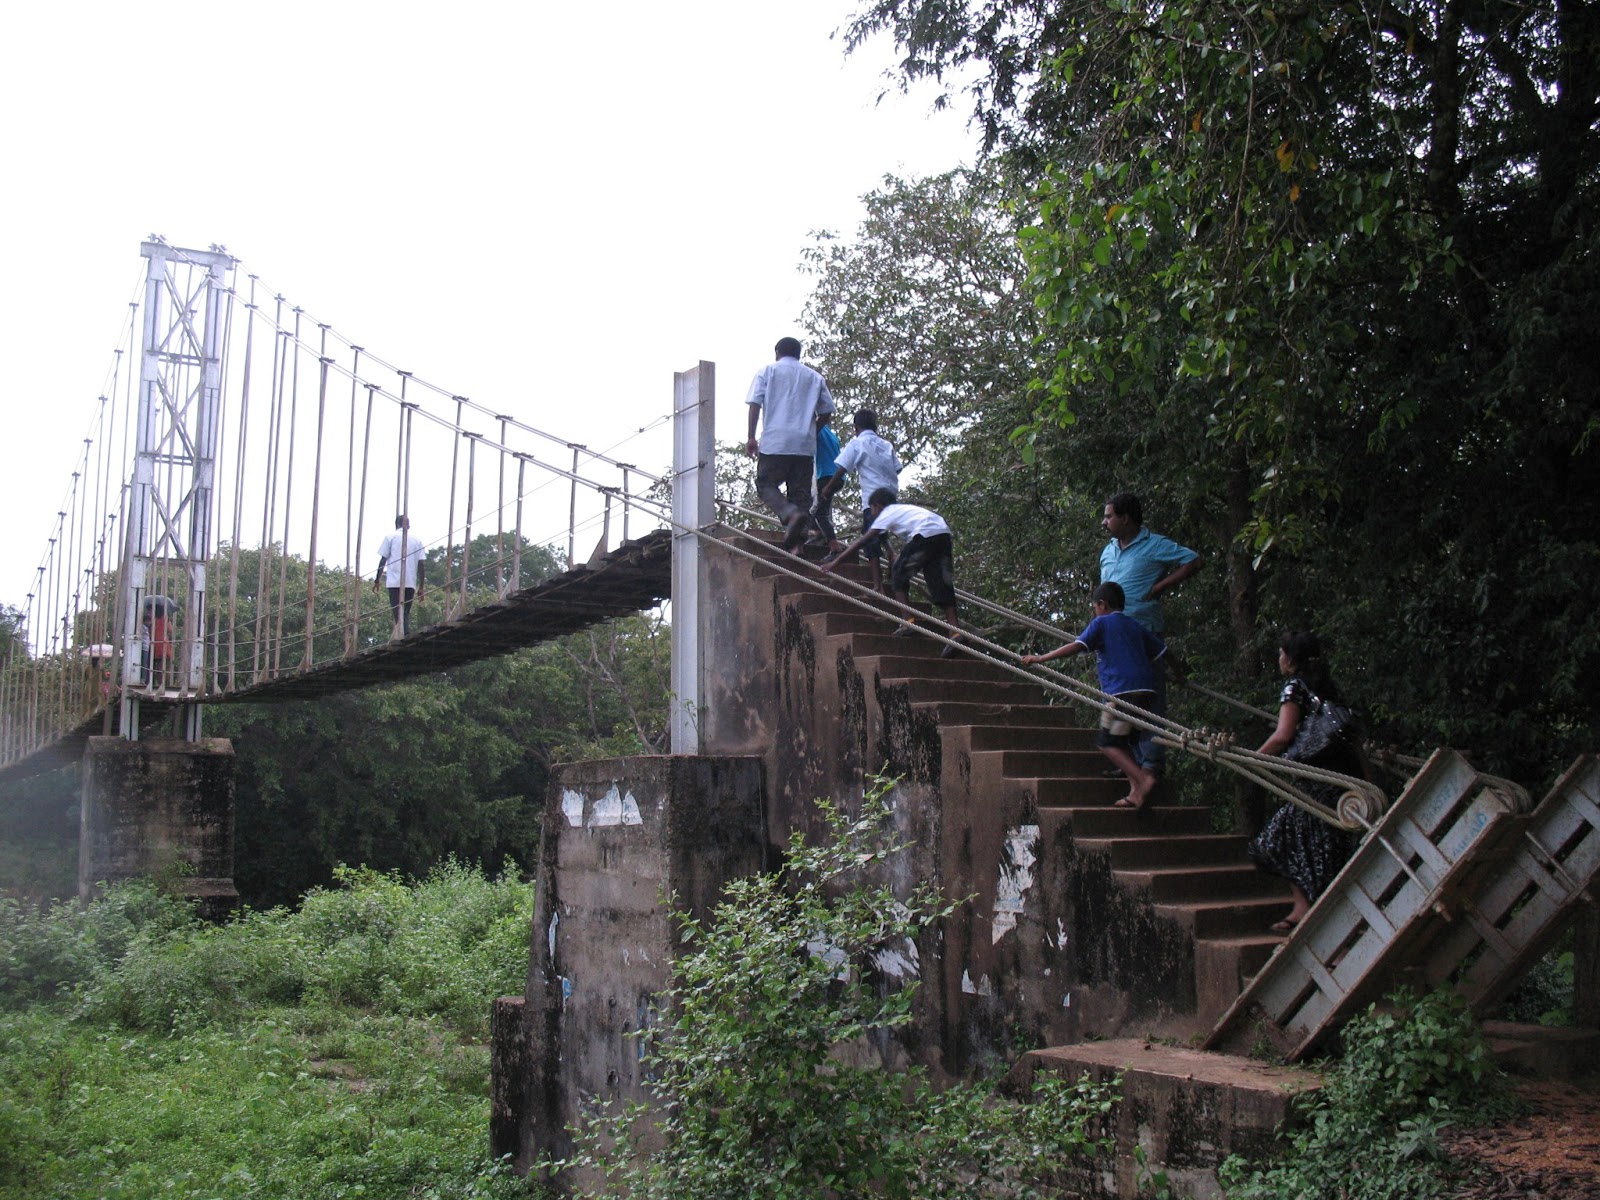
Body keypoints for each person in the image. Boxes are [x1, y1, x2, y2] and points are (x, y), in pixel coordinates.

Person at [1247, 630, 1361, 932]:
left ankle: (1308, 912)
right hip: (1341, 781)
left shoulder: (1294, 688)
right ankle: (1313, 913)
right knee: (1325, 848)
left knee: (1271, 844)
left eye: (1281, 652)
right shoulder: (1328, 687)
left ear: (1290, 657)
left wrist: (1252, 759)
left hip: (1313, 782)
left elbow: (1283, 735)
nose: (1278, 658)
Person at [1021, 581, 1166, 811]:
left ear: (1102, 604)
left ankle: (1143, 779)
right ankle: (1136, 794)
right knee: (1124, 741)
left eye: (1095, 607)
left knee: (1107, 743)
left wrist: (1041, 658)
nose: (1095, 611)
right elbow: (1162, 652)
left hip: (1121, 692)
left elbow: (1077, 646)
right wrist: (1180, 675)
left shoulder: (1102, 622)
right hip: (1146, 691)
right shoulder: (1134, 625)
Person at [1098, 491, 1203, 779]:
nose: (1104, 522)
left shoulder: (1154, 544)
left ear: (1125, 518)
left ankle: (1151, 766)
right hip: (1113, 637)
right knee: (1118, 697)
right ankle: (1128, 762)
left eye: (1109, 516)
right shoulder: (1107, 550)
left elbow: (1193, 561)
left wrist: (1159, 587)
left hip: (1144, 630)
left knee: (1150, 699)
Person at [820, 487, 964, 658]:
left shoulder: (887, 512)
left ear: (877, 506)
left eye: (872, 509)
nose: (872, 514)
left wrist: (836, 561)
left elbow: (864, 540)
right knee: (941, 583)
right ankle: (955, 632)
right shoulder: (903, 510)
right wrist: (893, 553)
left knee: (898, 573)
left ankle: (908, 621)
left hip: (924, 535)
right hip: (942, 534)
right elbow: (886, 537)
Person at [745, 337, 836, 549]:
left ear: (777, 352)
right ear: (798, 354)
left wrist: (751, 436)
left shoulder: (768, 371)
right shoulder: (814, 377)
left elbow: (755, 404)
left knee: (765, 484)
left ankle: (789, 514)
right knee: (800, 495)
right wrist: (811, 431)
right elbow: (826, 411)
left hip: (775, 442)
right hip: (804, 447)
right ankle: (798, 547)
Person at [818, 408, 903, 593]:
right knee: (879, 529)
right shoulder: (886, 444)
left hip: (873, 497)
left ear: (856, 428)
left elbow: (842, 468)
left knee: (870, 539)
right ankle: (892, 553)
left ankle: (877, 586)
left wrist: (828, 487)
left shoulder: (857, 443)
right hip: (890, 495)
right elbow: (898, 468)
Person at [374, 515, 426, 636]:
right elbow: (422, 565)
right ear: (408, 525)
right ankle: (405, 634)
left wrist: (377, 580)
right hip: (410, 583)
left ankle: (406, 635)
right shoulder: (417, 541)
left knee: (398, 612)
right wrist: (421, 587)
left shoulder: (390, 537)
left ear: (396, 524)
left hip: (394, 582)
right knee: (405, 611)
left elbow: (383, 560)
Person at [810, 413, 843, 553]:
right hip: (837, 476)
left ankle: (834, 547)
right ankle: (819, 534)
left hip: (826, 476)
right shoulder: (829, 433)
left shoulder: (814, 429)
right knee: (815, 509)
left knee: (818, 513)